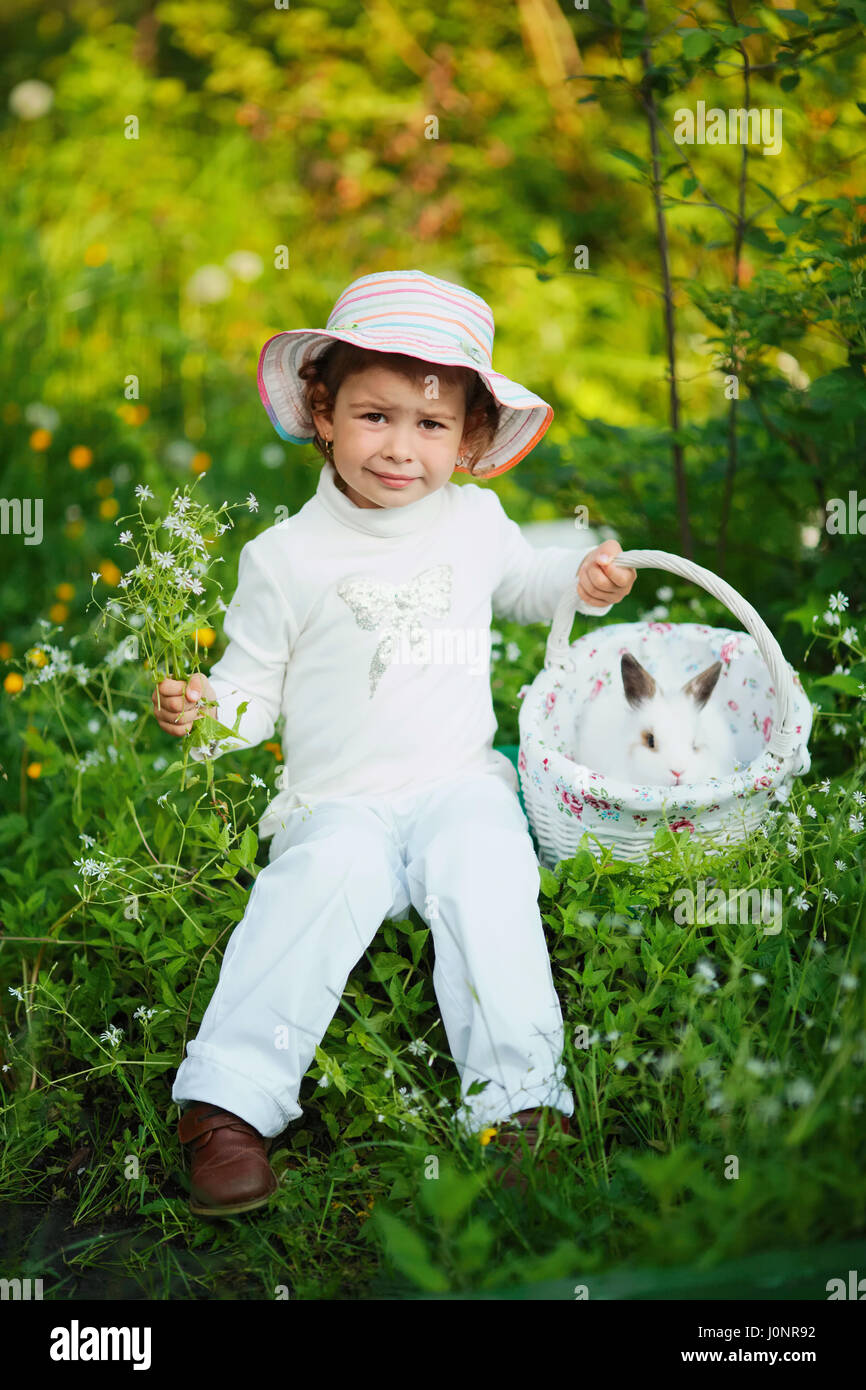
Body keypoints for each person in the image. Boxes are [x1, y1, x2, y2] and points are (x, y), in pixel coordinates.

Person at [151, 269, 636, 1216]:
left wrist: (578, 579)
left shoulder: (473, 519)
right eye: (375, 417)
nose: (401, 449)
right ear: (324, 414)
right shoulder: (284, 558)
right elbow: (251, 696)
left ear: (470, 440)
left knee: (489, 868)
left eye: (430, 425)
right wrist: (206, 710)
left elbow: (525, 584)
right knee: (318, 883)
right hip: (340, 797)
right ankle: (227, 1103)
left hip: (457, 778)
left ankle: (519, 1103)